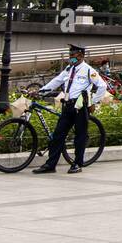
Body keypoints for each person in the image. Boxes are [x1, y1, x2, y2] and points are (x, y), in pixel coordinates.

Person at [33, 43, 109, 175]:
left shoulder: (89, 70)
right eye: (70, 55)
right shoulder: (69, 69)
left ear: (80, 56)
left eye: (72, 55)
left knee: (80, 136)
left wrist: (93, 101)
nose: (70, 57)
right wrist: (40, 91)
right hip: (68, 106)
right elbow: (57, 81)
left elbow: (102, 86)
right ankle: (51, 165)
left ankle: (77, 164)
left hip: (80, 107)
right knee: (57, 136)